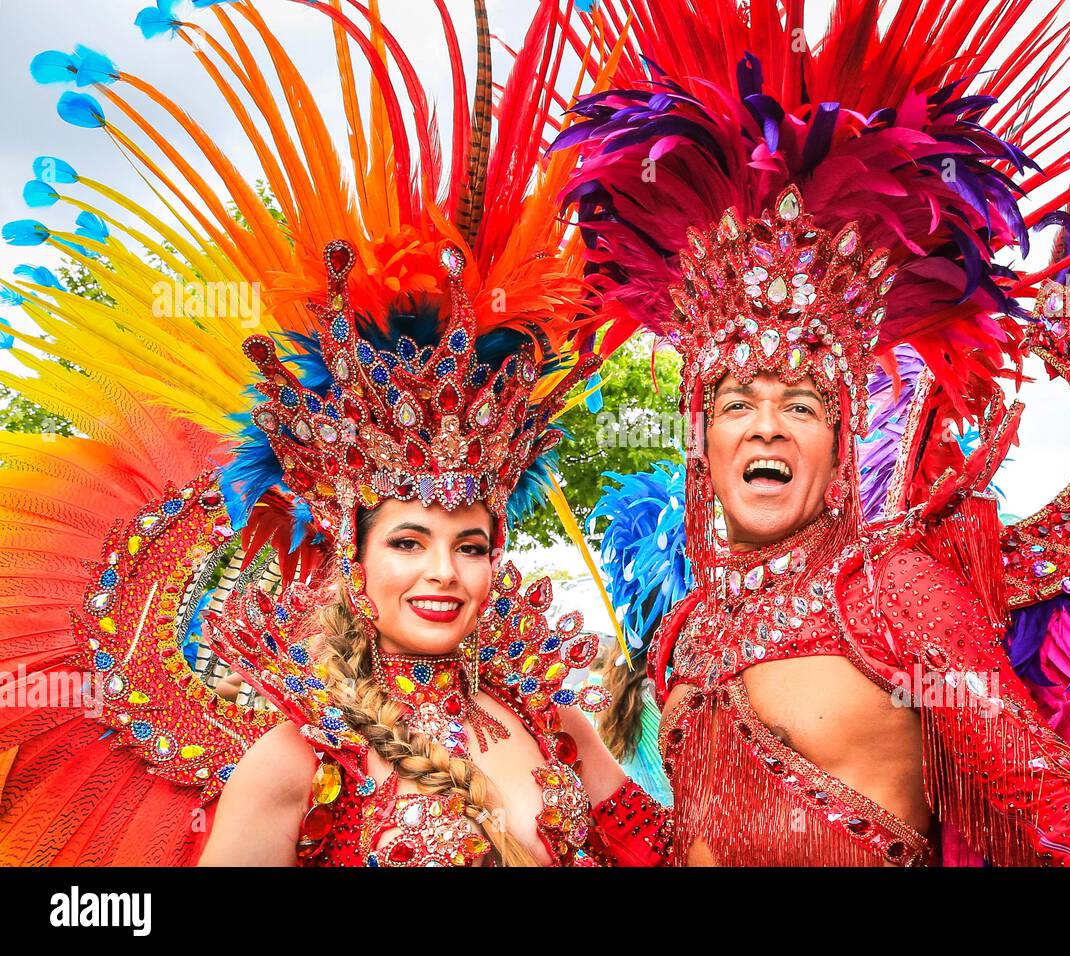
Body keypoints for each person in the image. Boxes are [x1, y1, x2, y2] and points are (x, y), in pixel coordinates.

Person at [548, 0, 1070, 865]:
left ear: (840, 442)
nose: (768, 430)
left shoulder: (892, 590)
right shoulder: (688, 632)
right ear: (701, 437)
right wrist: (586, 756)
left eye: (801, 406)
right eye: (738, 404)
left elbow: (1051, 796)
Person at [0, 0, 666, 867]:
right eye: (409, 540)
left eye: (470, 545)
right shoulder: (302, 756)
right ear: (354, 557)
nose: (442, 572)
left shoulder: (554, 722)